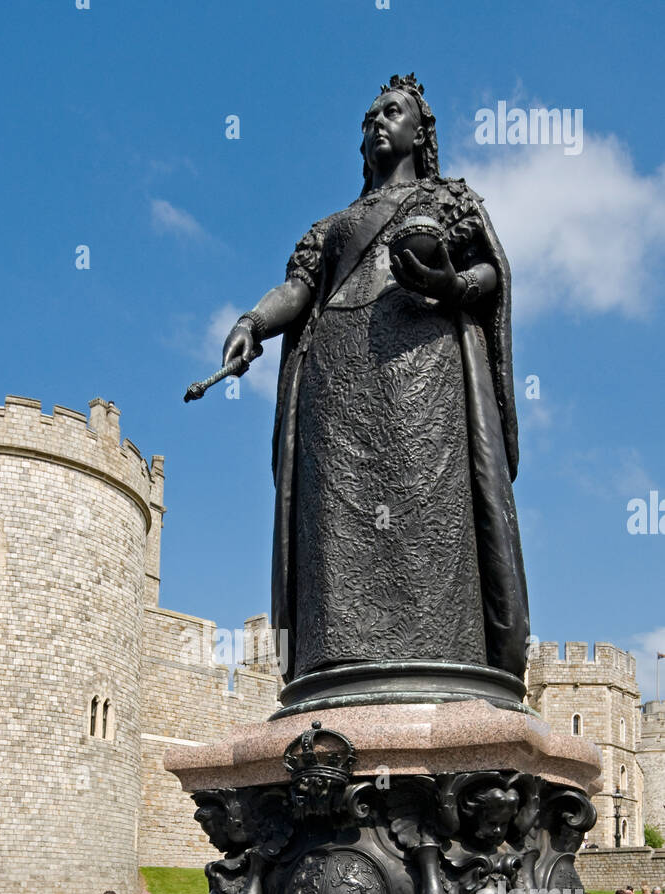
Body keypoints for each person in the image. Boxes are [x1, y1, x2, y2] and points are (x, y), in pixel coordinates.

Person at [220, 73, 528, 706]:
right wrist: (253, 322)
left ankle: (445, 657)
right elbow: (300, 289)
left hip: (424, 376)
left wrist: (449, 285)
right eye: (369, 117)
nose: (377, 122)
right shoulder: (331, 226)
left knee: (427, 515)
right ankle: (336, 663)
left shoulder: (449, 201)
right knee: (336, 533)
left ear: (421, 131)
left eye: (392, 112)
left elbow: (491, 273)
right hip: (335, 385)